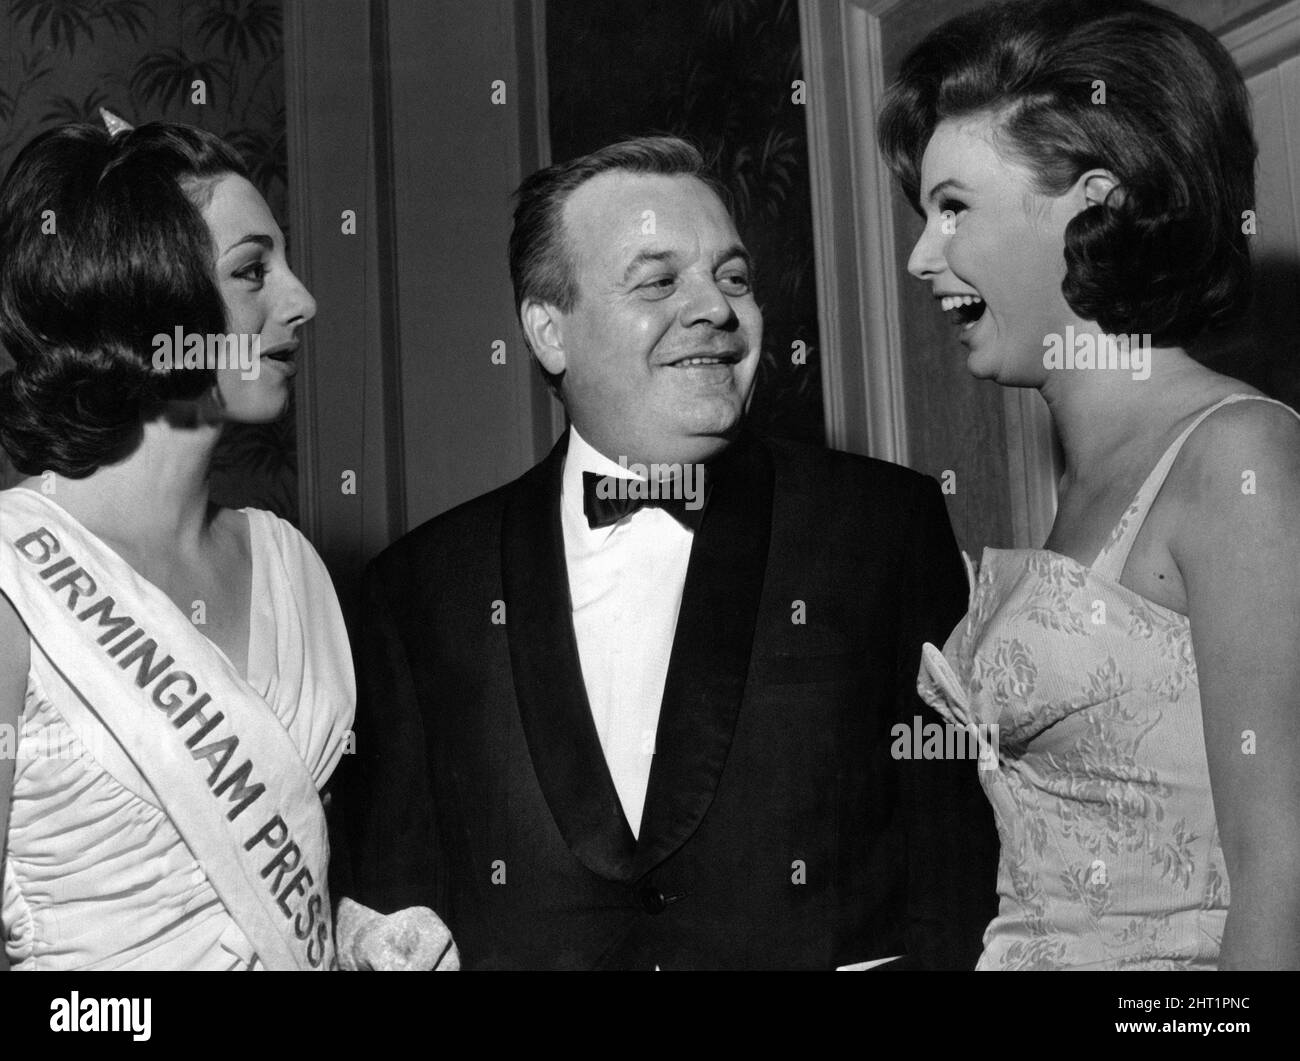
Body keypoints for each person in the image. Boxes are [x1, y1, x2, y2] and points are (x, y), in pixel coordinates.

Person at [343, 135, 999, 970]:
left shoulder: (881, 525)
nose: (717, 310)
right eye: (659, 281)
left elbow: (958, 880)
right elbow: (401, 911)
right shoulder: (420, 587)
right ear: (548, 332)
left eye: (733, 278)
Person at [879, 0, 1300, 970]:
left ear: (1094, 205)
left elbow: (1283, 879)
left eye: (953, 208)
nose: (918, 255)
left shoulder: (1234, 458)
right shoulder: (1081, 482)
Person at [0, 115, 452, 970]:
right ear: (144, 302)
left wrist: (358, 940)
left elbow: (283, 874)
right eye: (253, 270)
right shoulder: (12, 577)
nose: (302, 299)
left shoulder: (293, 565)